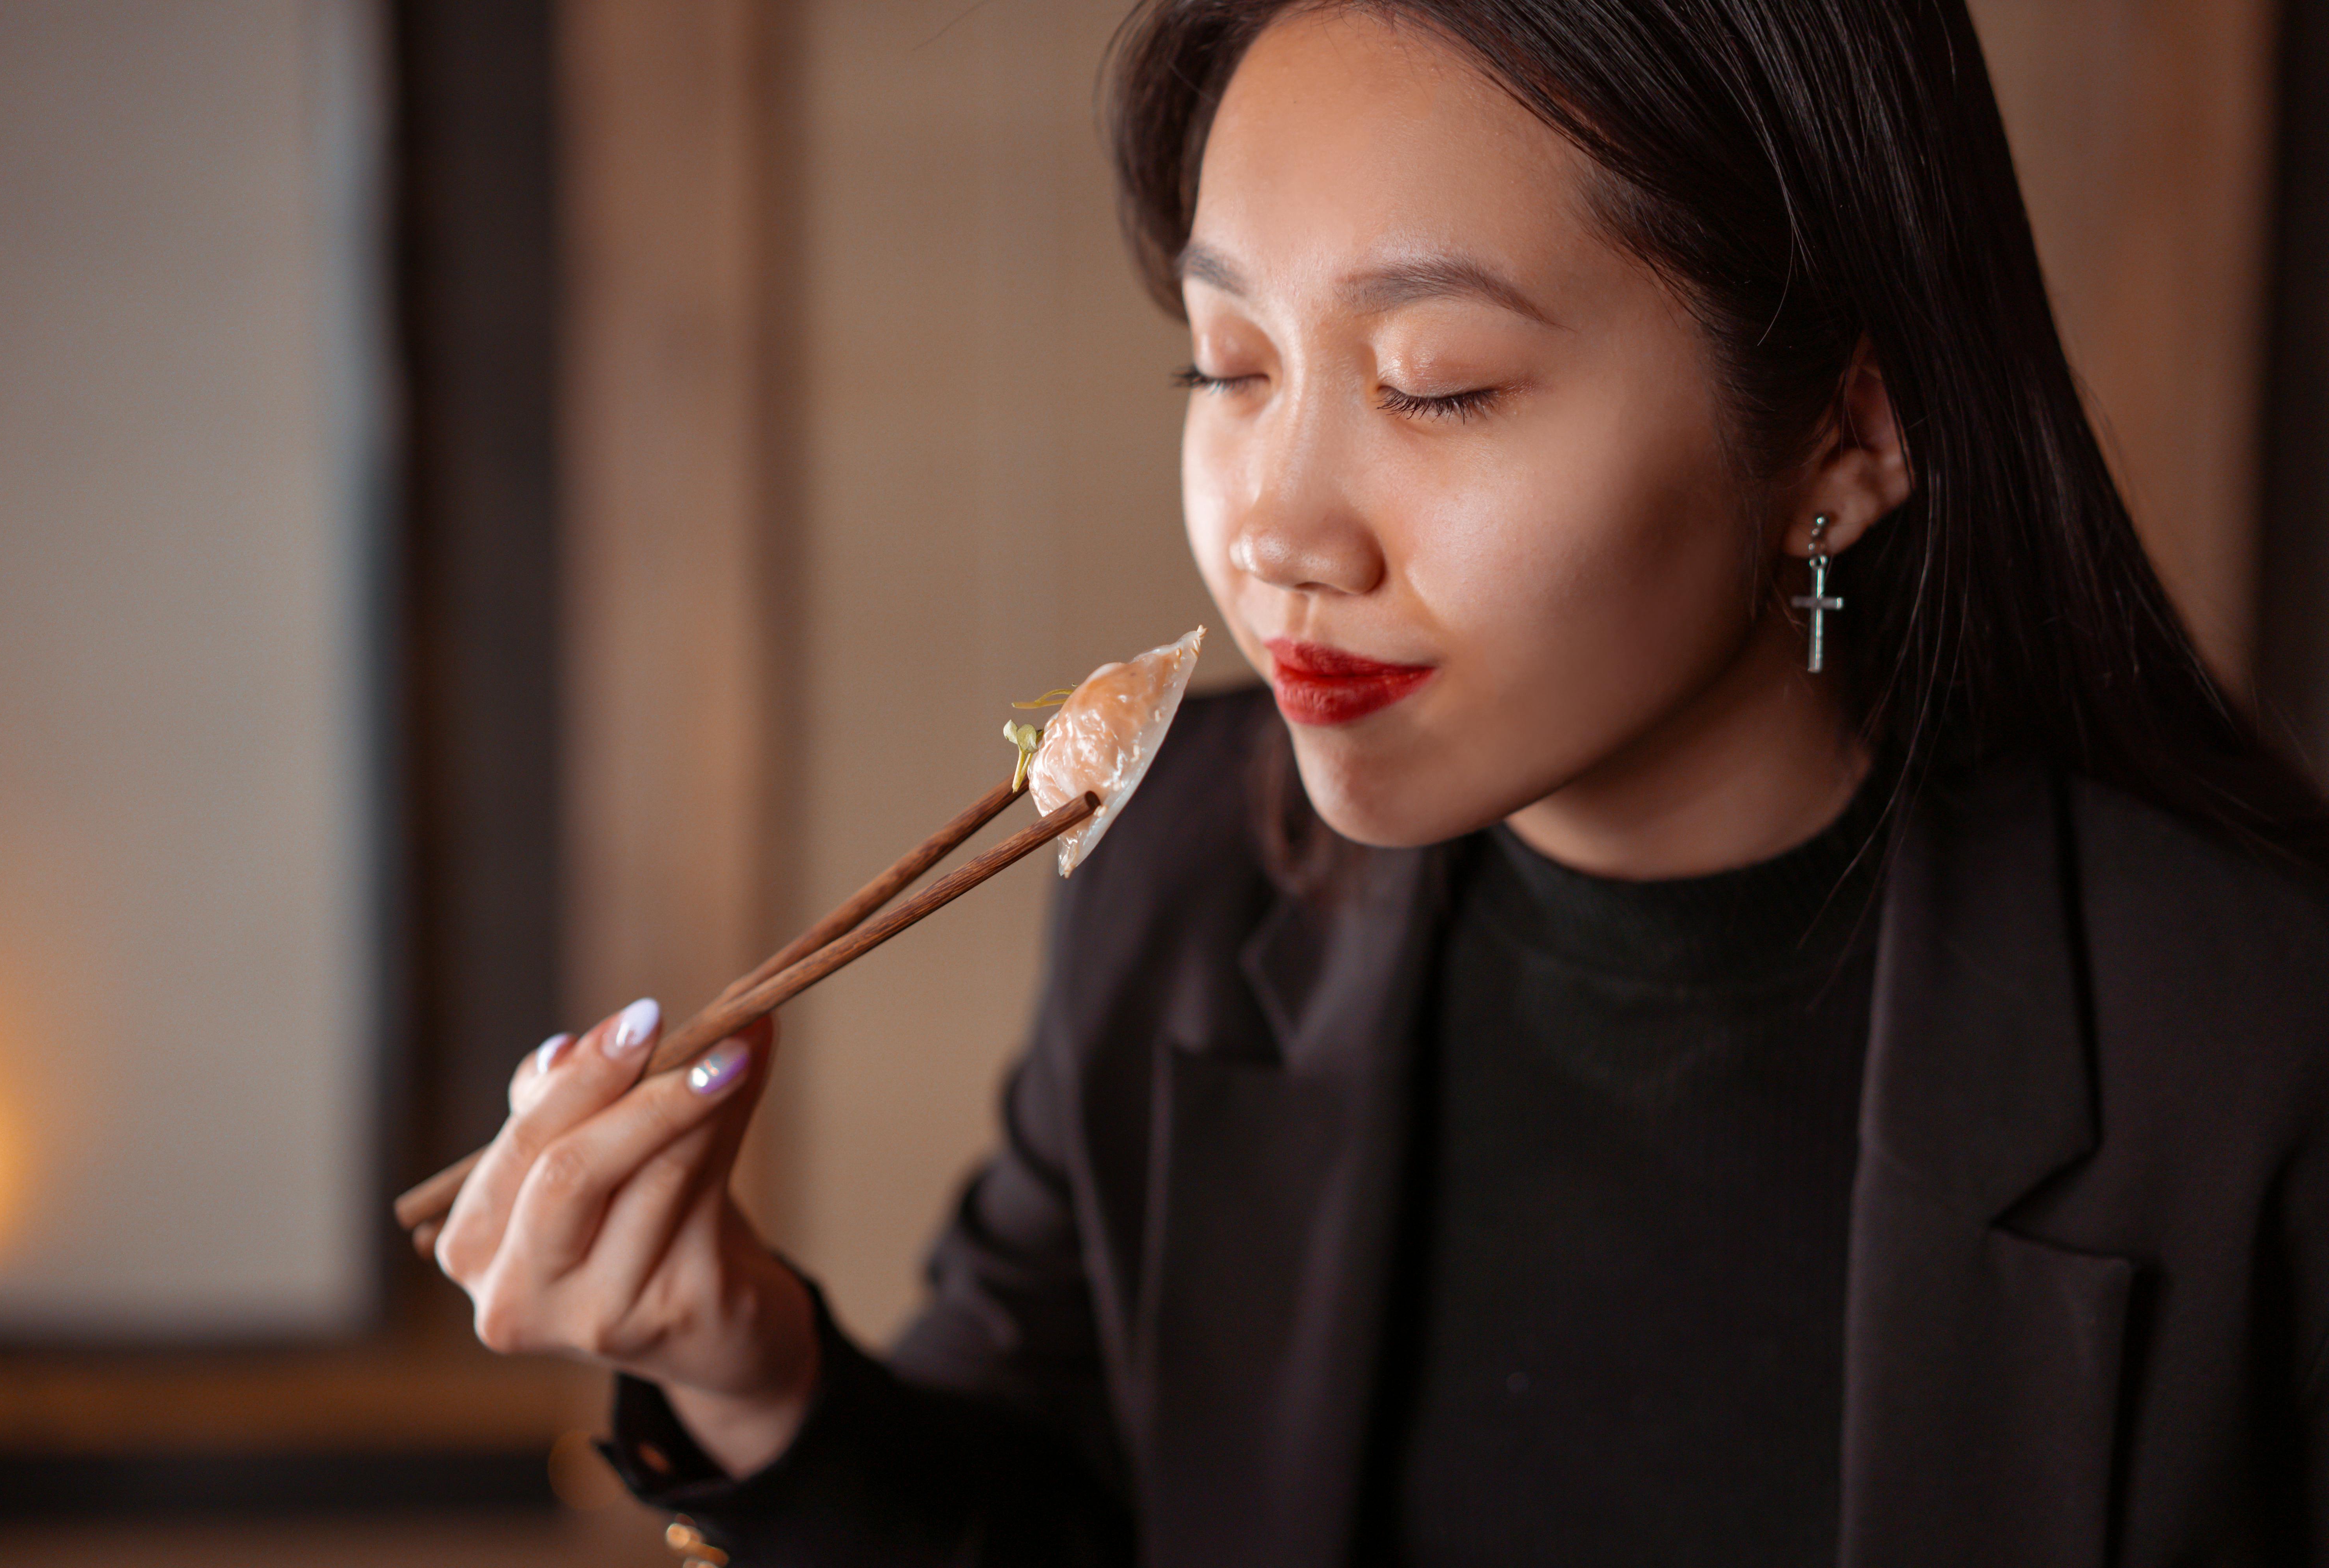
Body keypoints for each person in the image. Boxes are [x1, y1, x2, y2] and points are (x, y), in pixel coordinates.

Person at [430, 2, 2329, 1562]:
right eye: (1229, 364)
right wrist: (751, 1368)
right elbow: (1050, 1514)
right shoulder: (1191, 871)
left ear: (1844, 429)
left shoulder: (2245, 1047)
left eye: (1434, 384)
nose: (1276, 531)